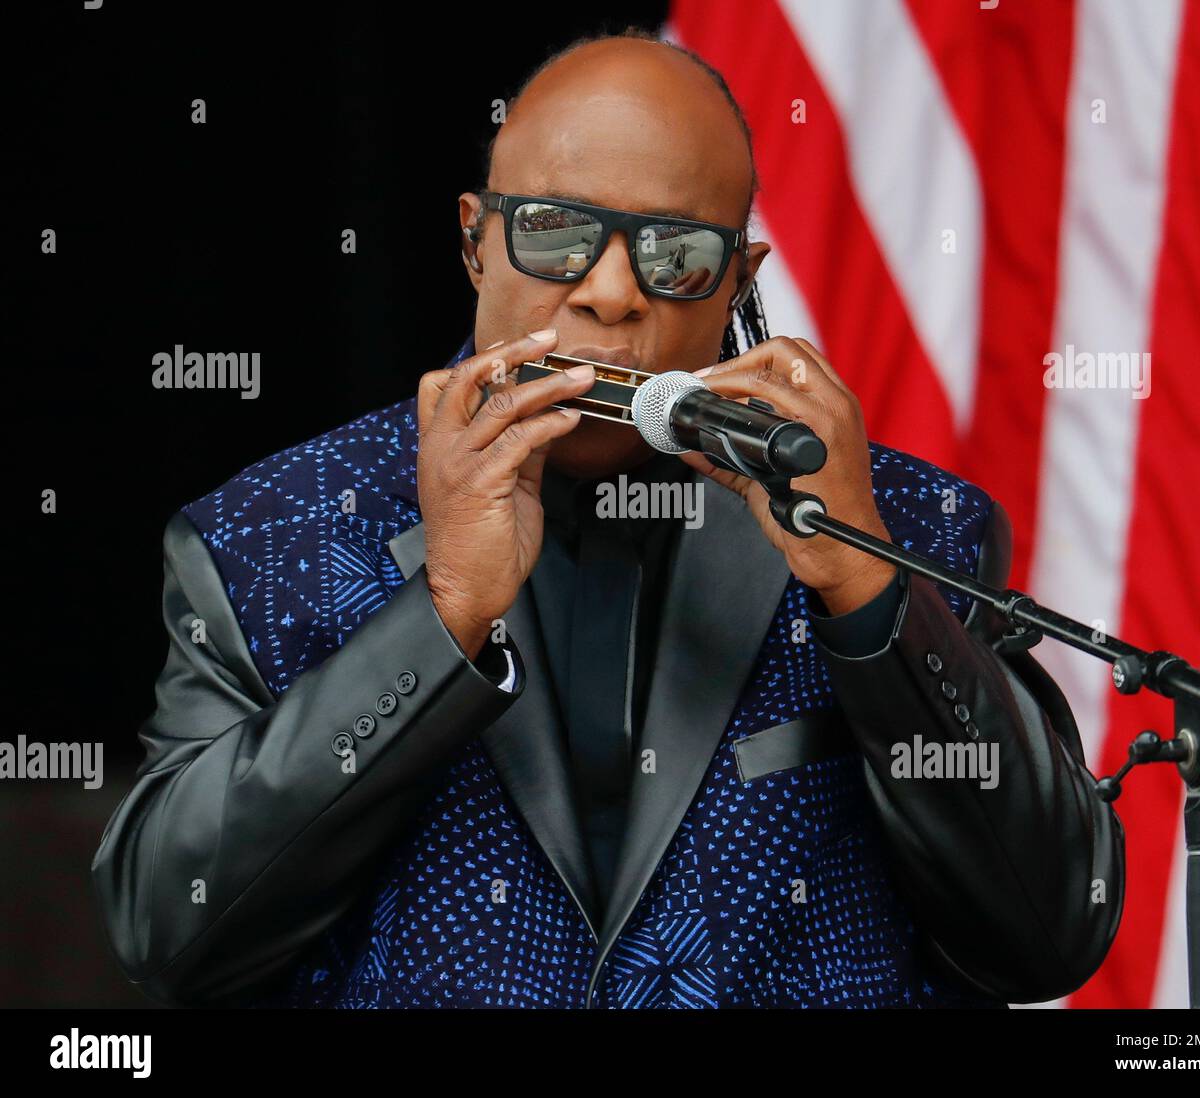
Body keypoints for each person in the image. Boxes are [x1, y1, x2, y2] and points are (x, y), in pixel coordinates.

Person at [91, 28, 1124, 1009]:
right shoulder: (266, 536)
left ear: (738, 285)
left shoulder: (907, 525)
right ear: (473, 244)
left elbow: (1046, 935)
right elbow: (167, 935)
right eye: (555, 234)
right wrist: (443, 615)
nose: (613, 292)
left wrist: (870, 599)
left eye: (676, 253)